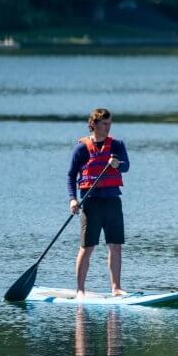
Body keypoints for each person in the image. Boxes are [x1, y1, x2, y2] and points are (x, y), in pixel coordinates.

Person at [67, 108, 130, 299]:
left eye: (110, 123)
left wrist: (117, 164)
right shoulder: (81, 148)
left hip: (112, 201)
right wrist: (72, 199)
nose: (108, 127)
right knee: (87, 247)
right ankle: (80, 290)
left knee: (115, 246)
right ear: (94, 124)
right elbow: (71, 175)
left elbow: (126, 166)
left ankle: (116, 288)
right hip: (90, 202)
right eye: (104, 124)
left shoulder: (117, 145)